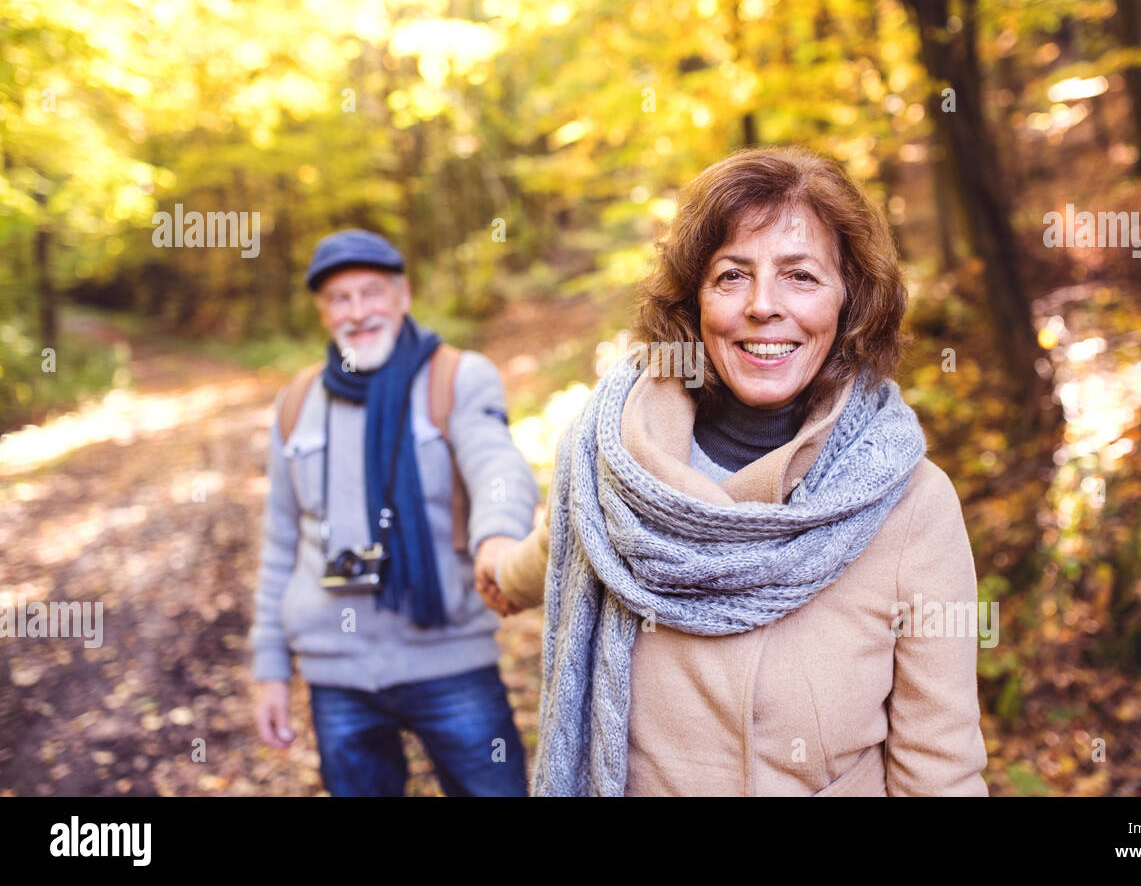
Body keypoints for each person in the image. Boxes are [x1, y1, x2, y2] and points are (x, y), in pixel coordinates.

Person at [477, 146, 990, 796]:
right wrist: (496, 572)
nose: (763, 306)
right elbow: (554, 550)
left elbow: (940, 773)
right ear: (693, 302)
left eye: (801, 276)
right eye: (731, 276)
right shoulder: (609, 458)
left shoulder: (912, 507)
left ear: (849, 302)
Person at [250, 229, 539, 796]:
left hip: (448, 659)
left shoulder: (455, 377)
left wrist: (498, 539)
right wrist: (270, 669)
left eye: (371, 292)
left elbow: (497, 468)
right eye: (340, 298)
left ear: (403, 295)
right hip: (336, 674)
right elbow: (281, 538)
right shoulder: (295, 404)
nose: (358, 312)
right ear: (322, 311)